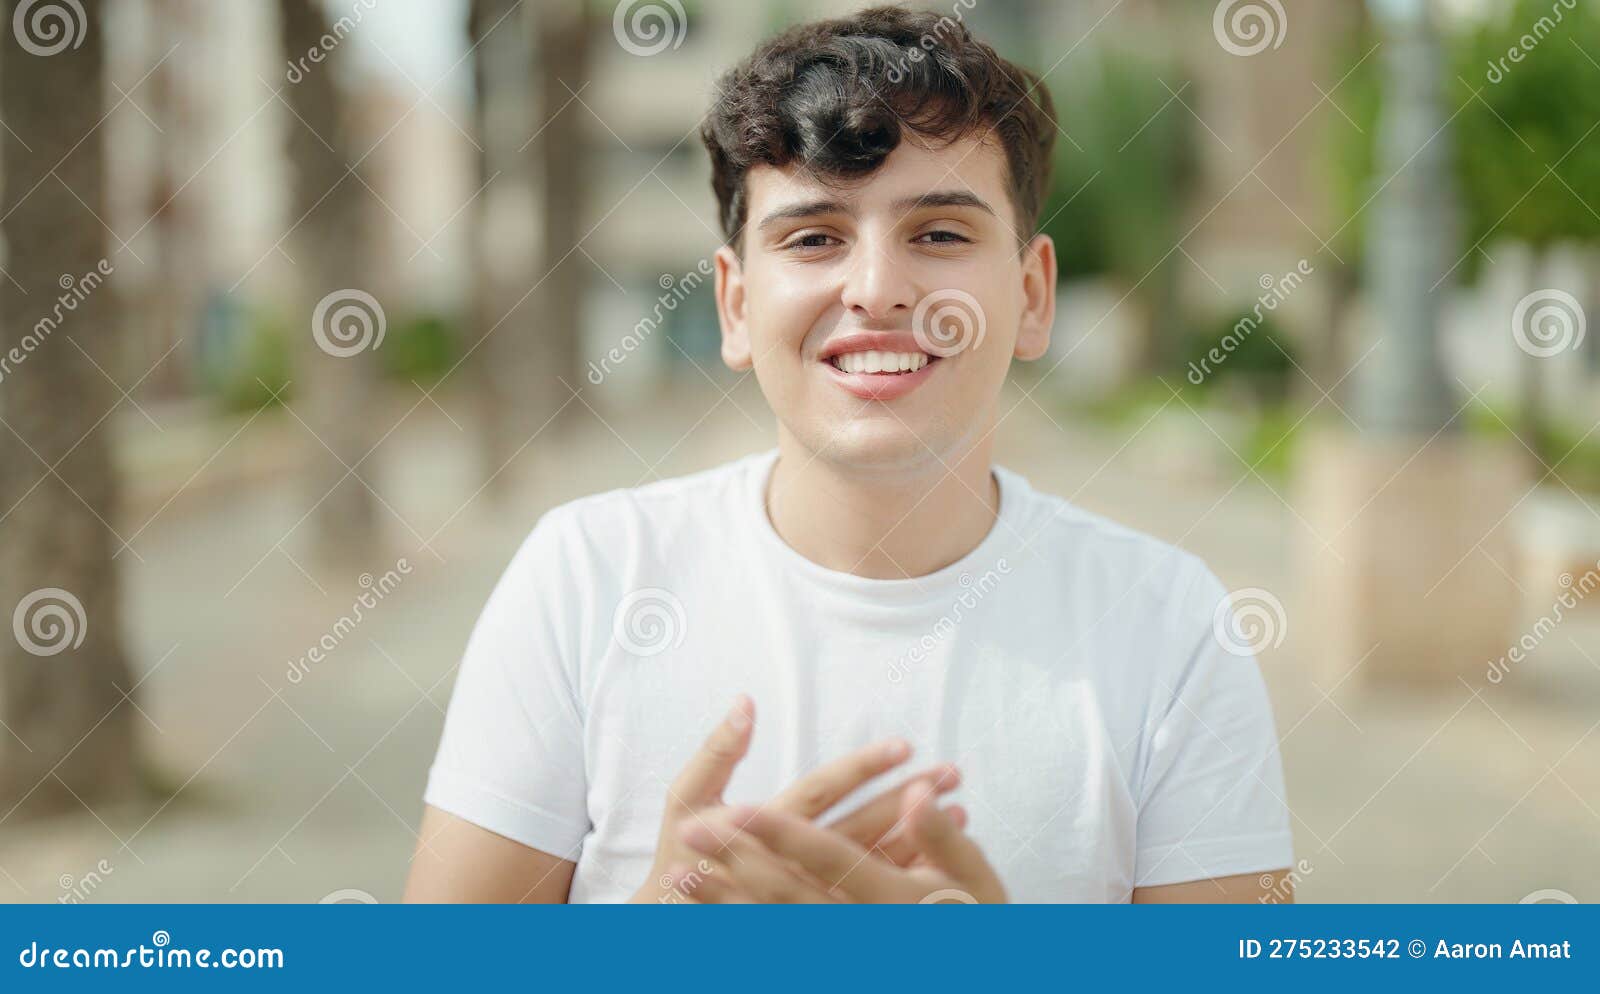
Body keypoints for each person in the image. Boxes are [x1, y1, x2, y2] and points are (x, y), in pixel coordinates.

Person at [404, 5, 1293, 904]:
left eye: (939, 234)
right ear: (737, 304)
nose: (875, 290)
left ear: (1031, 294)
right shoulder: (587, 581)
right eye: (814, 238)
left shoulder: (1170, 625)